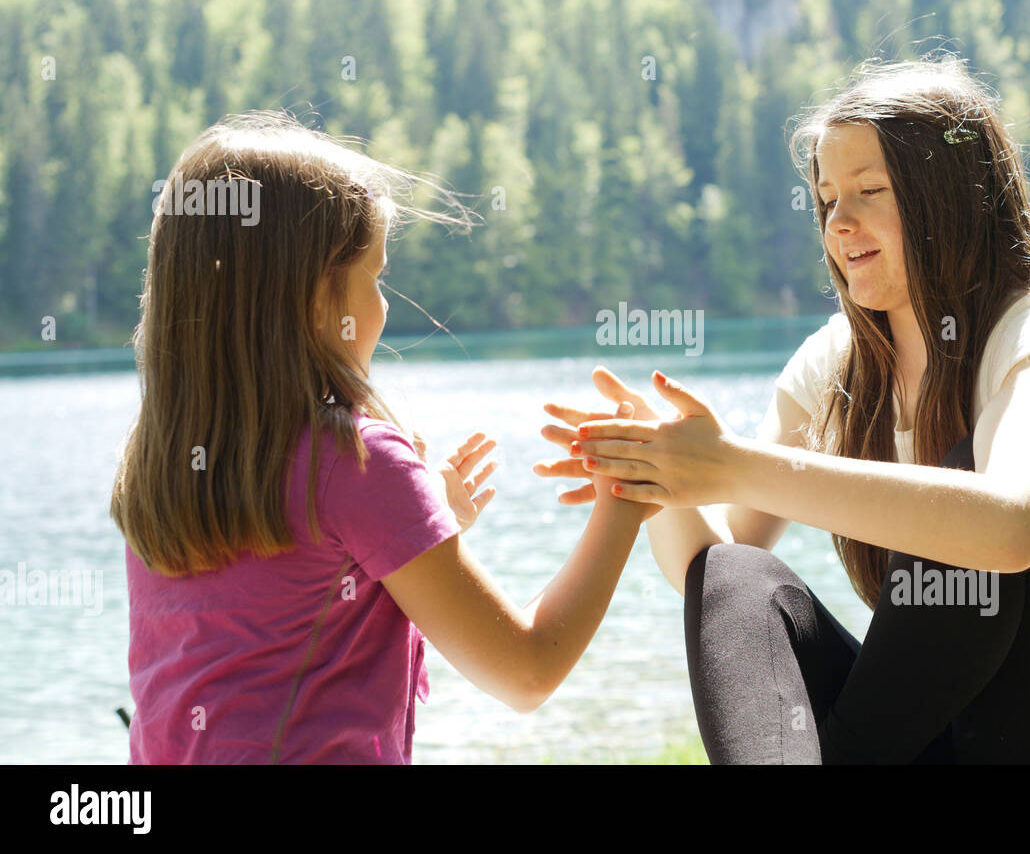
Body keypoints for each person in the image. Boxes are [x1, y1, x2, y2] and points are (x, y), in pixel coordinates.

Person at [535, 59, 1030, 764]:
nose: (839, 224)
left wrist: (734, 467)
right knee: (736, 573)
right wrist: (659, 474)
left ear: (952, 199)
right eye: (826, 199)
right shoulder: (831, 367)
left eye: (870, 191)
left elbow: (1013, 527)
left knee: (972, 480)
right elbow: (713, 570)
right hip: (932, 737)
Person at [111, 112, 653, 763]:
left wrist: (424, 522)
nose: (387, 306)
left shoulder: (161, 461)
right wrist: (623, 493)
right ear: (315, 303)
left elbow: (278, 605)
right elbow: (527, 668)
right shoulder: (354, 461)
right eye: (374, 277)